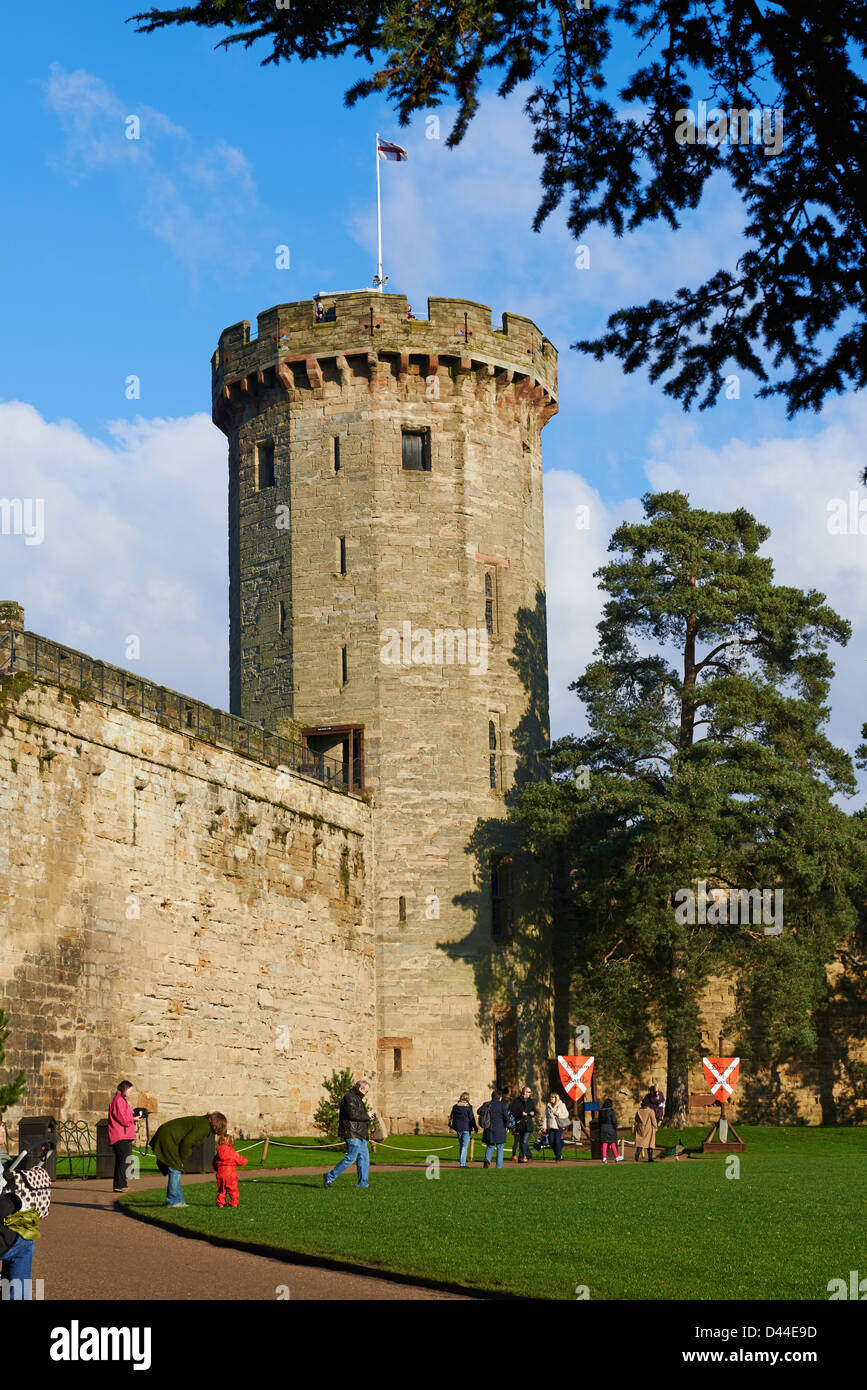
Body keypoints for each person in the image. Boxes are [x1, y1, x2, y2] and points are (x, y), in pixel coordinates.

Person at [150, 1111, 227, 1207]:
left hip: (168, 1136)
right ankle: (173, 1201)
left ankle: (178, 1200)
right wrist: (182, 1159)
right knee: (175, 1169)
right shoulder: (204, 1127)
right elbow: (187, 1143)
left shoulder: (204, 1123)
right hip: (168, 1138)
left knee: (176, 1169)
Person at [324, 1078, 374, 1189]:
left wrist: (368, 1117)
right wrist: (367, 1115)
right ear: (360, 1088)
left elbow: (358, 1116)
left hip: (360, 1134)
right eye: (366, 1091)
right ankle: (329, 1176)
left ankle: (363, 1184)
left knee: (364, 1160)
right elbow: (352, 1115)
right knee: (351, 1158)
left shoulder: (357, 1099)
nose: (366, 1094)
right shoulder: (349, 1097)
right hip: (352, 1133)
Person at [107, 1080, 136, 1193]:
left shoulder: (121, 1100)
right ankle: (120, 1184)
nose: (131, 1093)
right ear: (125, 1089)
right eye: (130, 1091)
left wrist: (133, 1117)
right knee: (125, 1160)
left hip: (122, 1134)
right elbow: (122, 1118)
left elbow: (124, 1116)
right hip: (120, 1135)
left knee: (122, 1160)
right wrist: (133, 1119)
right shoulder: (118, 1100)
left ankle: (119, 1185)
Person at [213, 1133, 248, 1208]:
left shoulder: (218, 1153)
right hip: (231, 1173)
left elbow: (214, 1163)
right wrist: (245, 1160)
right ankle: (234, 1202)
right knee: (233, 1189)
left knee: (221, 1189)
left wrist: (217, 1169)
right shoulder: (232, 1152)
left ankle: (220, 1203)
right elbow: (239, 1160)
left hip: (221, 1173)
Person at [479, 1090, 512, 1169]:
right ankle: (499, 1166)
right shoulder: (502, 1105)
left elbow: (478, 1111)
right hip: (500, 1129)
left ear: (492, 1096)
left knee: (490, 1146)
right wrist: (509, 1126)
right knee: (500, 1148)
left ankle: (487, 1159)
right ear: (500, 1098)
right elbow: (506, 1118)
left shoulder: (486, 1104)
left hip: (489, 1128)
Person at [448, 1092, 478, 1168]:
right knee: (464, 1146)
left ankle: (462, 1162)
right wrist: (475, 1127)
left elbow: (452, 1116)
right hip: (466, 1128)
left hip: (458, 1128)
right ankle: (462, 1164)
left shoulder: (455, 1106)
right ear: (467, 1098)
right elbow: (471, 1118)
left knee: (462, 1145)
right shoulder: (468, 1107)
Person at [510, 1086, 538, 1163]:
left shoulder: (531, 1101)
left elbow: (535, 1111)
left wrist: (533, 1113)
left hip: (528, 1124)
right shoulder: (517, 1101)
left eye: (530, 1092)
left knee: (524, 1141)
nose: (530, 1093)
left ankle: (522, 1157)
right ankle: (524, 1156)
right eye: (529, 1092)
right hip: (520, 1124)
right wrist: (520, 1113)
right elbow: (512, 1111)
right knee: (522, 1141)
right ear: (524, 1092)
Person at [544, 1091, 570, 1163]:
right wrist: (544, 1127)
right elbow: (545, 1116)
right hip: (551, 1126)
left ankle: (558, 1158)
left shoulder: (561, 1105)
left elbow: (566, 1114)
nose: (551, 1098)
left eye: (553, 1097)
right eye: (550, 1097)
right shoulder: (548, 1105)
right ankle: (559, 1154)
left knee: (557, 1142)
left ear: (556, 1098)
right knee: (551, 1142)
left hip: (559, 1126)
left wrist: (558, 1114)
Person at [634, 1095, 659, 1162]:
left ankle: (637, 1153)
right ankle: (650, 1158)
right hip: (649, 1129)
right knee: (650, 1143)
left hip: (640, 1128)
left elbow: (636, 1119)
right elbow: (653, 1121)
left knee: (640, 1142)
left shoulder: (639, 1111)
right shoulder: (651, 1111)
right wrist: (656, 1127)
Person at [599, 1097, 624, 1162]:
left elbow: (599, 1121)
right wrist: (615, 1127)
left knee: (605, 1143)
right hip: (610, 1128)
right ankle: (616, 1156)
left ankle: (604, 1158)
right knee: (612, 1142)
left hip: (603, 1128)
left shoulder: (601, 1111)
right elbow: (614, 1121)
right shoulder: (611, 1111)